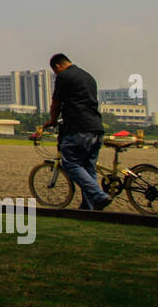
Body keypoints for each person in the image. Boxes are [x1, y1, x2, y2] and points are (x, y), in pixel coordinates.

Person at [44, 53, 111, 211]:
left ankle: (99, 196)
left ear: (58, 66)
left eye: (55, 71)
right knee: (88, 168)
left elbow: (56, 102)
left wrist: (52, 120)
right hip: (96, 128)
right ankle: (90, 207)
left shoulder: (64, 76)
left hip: (78, 128)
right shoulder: (88, 76)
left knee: (70, 163)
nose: (56, 75)